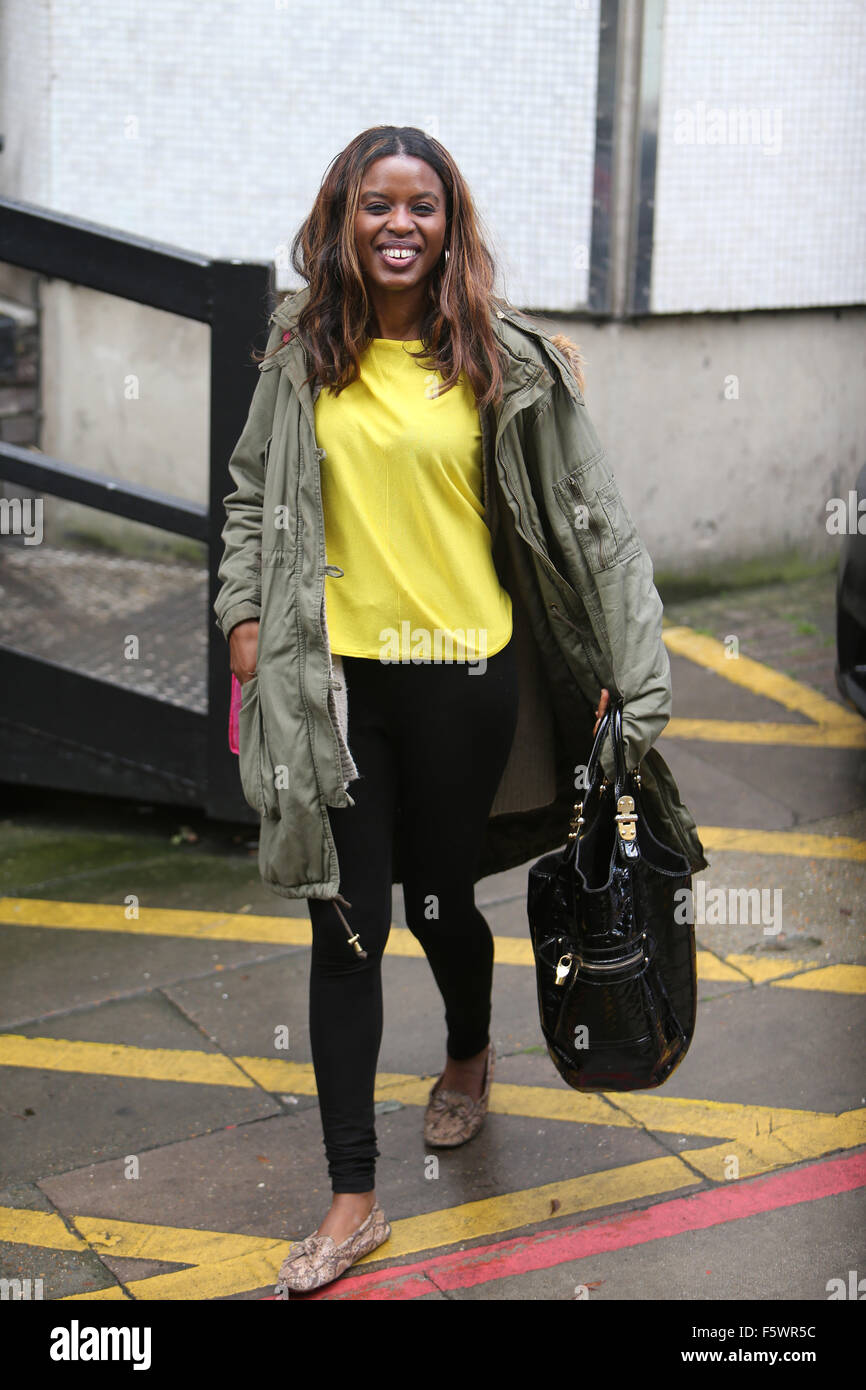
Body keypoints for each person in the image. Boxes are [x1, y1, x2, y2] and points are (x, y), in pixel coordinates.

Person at [216, 125, 703, 1296]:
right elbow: (248, 494)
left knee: (439, 900)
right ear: (343, 215)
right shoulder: (297, 346)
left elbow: (589, 525)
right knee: (345, 926)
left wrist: (616, 671)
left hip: (465, 678)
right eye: (375, 204)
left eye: (420, 206)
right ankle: (351, 1200)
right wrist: (242, 618)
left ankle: (470, 1050)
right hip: (337, 686)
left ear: (449, 222)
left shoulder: (505, 357)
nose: (397, 225)